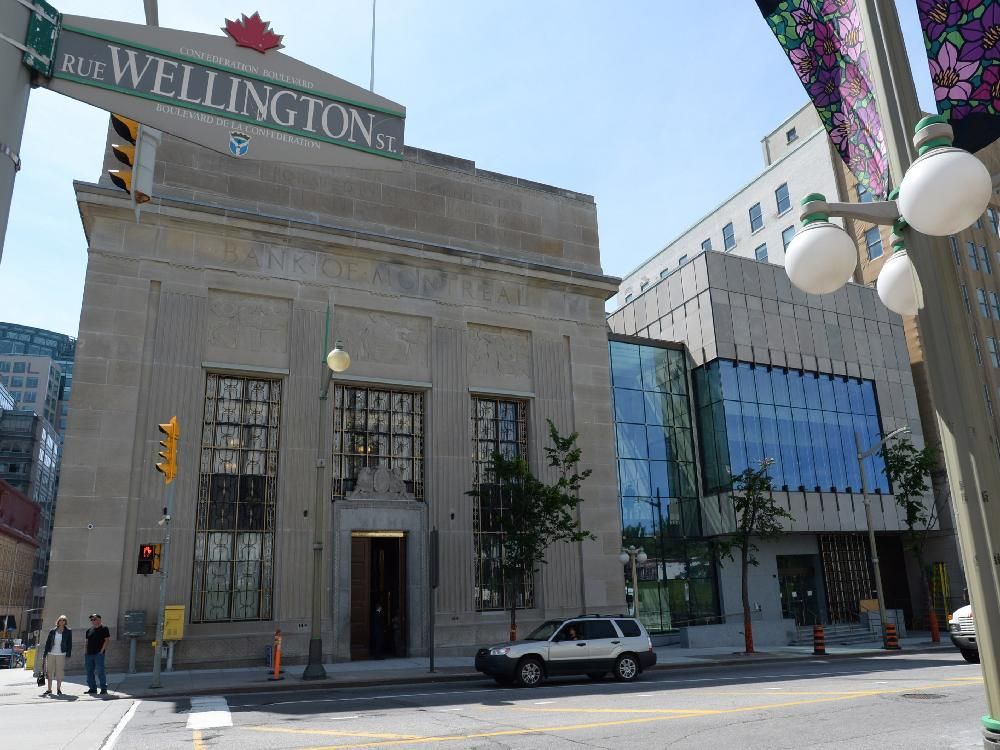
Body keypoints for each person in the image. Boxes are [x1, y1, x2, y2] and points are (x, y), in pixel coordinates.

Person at [42, 615, 72, 696]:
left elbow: (69, 643)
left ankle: (58, 689)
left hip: (61, 654)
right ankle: (49, 689)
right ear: (58, 621)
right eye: (60, 620)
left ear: (65, 622)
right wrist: (44, 654)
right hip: (51, 653)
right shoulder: (52, 631)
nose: (62, 621)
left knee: (60, 672)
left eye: (64, 620)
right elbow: (48, 643)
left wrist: (68, 653)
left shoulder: (68, 631)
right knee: (49, 672)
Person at [84, 613, 110, 696]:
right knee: (89, 672)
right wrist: (85, 651)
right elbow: (86, 642)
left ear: (99, 619)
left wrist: (102, 651)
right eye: (91, 619)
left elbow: (106, 640)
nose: (92, 621)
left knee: (100, 671)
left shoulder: (104, 628)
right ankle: (93, 688)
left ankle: (103, 689)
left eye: (94, 619)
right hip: (89, 654)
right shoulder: (89, 630)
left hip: (98, 654)